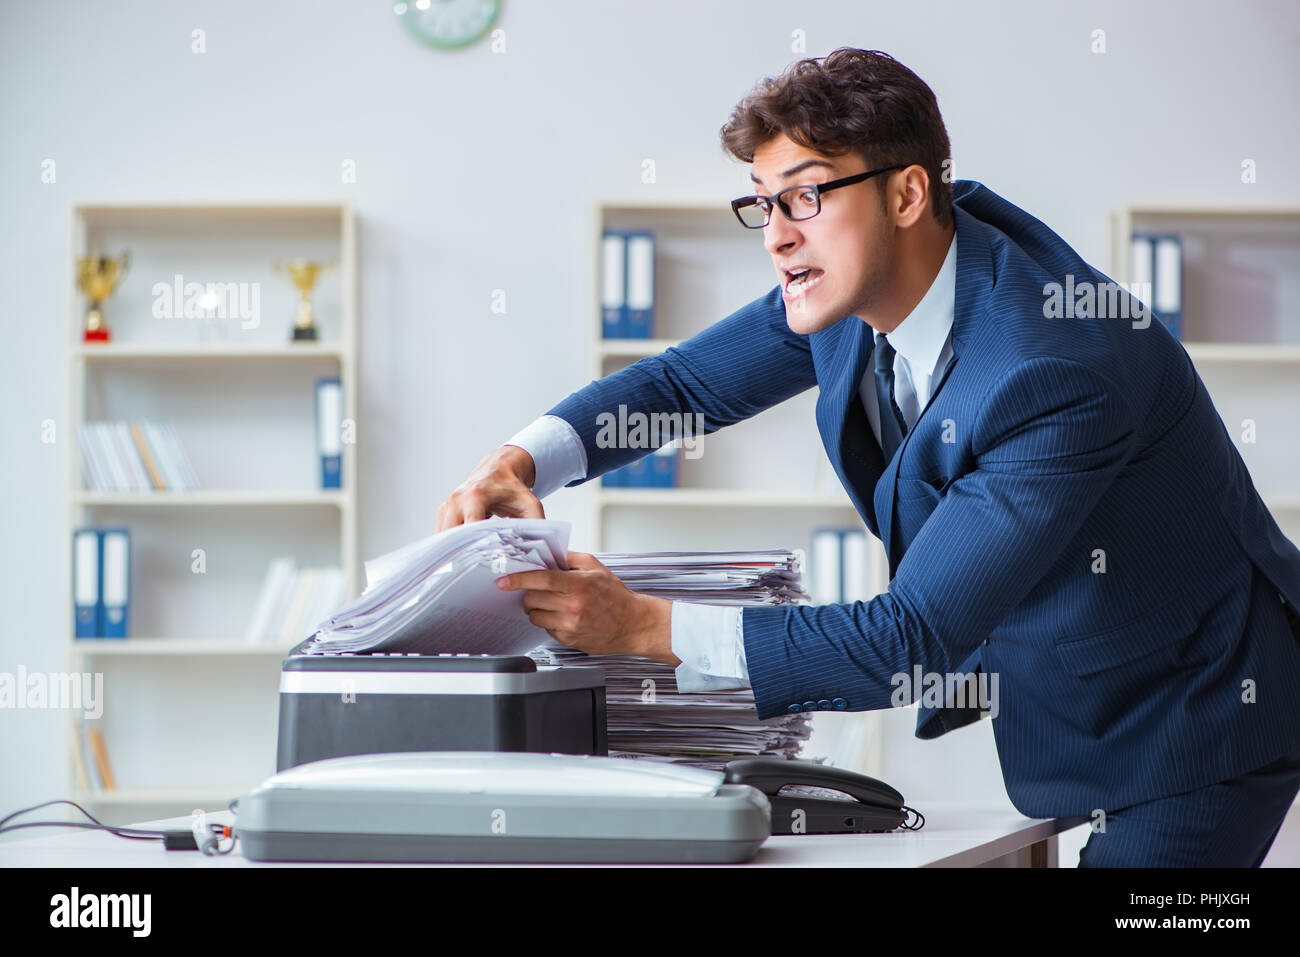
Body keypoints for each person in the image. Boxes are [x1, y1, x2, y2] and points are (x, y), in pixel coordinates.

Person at [437, 48, 1300, 866]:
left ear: (907, 194)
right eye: (762, 202)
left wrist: (639, 626)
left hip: (1199, 713)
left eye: (805, 196)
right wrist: (520, 459)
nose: (776, 235)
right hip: (1067, 680)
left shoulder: (1056, 369)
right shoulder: (860, 283)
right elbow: (683, 383)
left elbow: (912, 636)